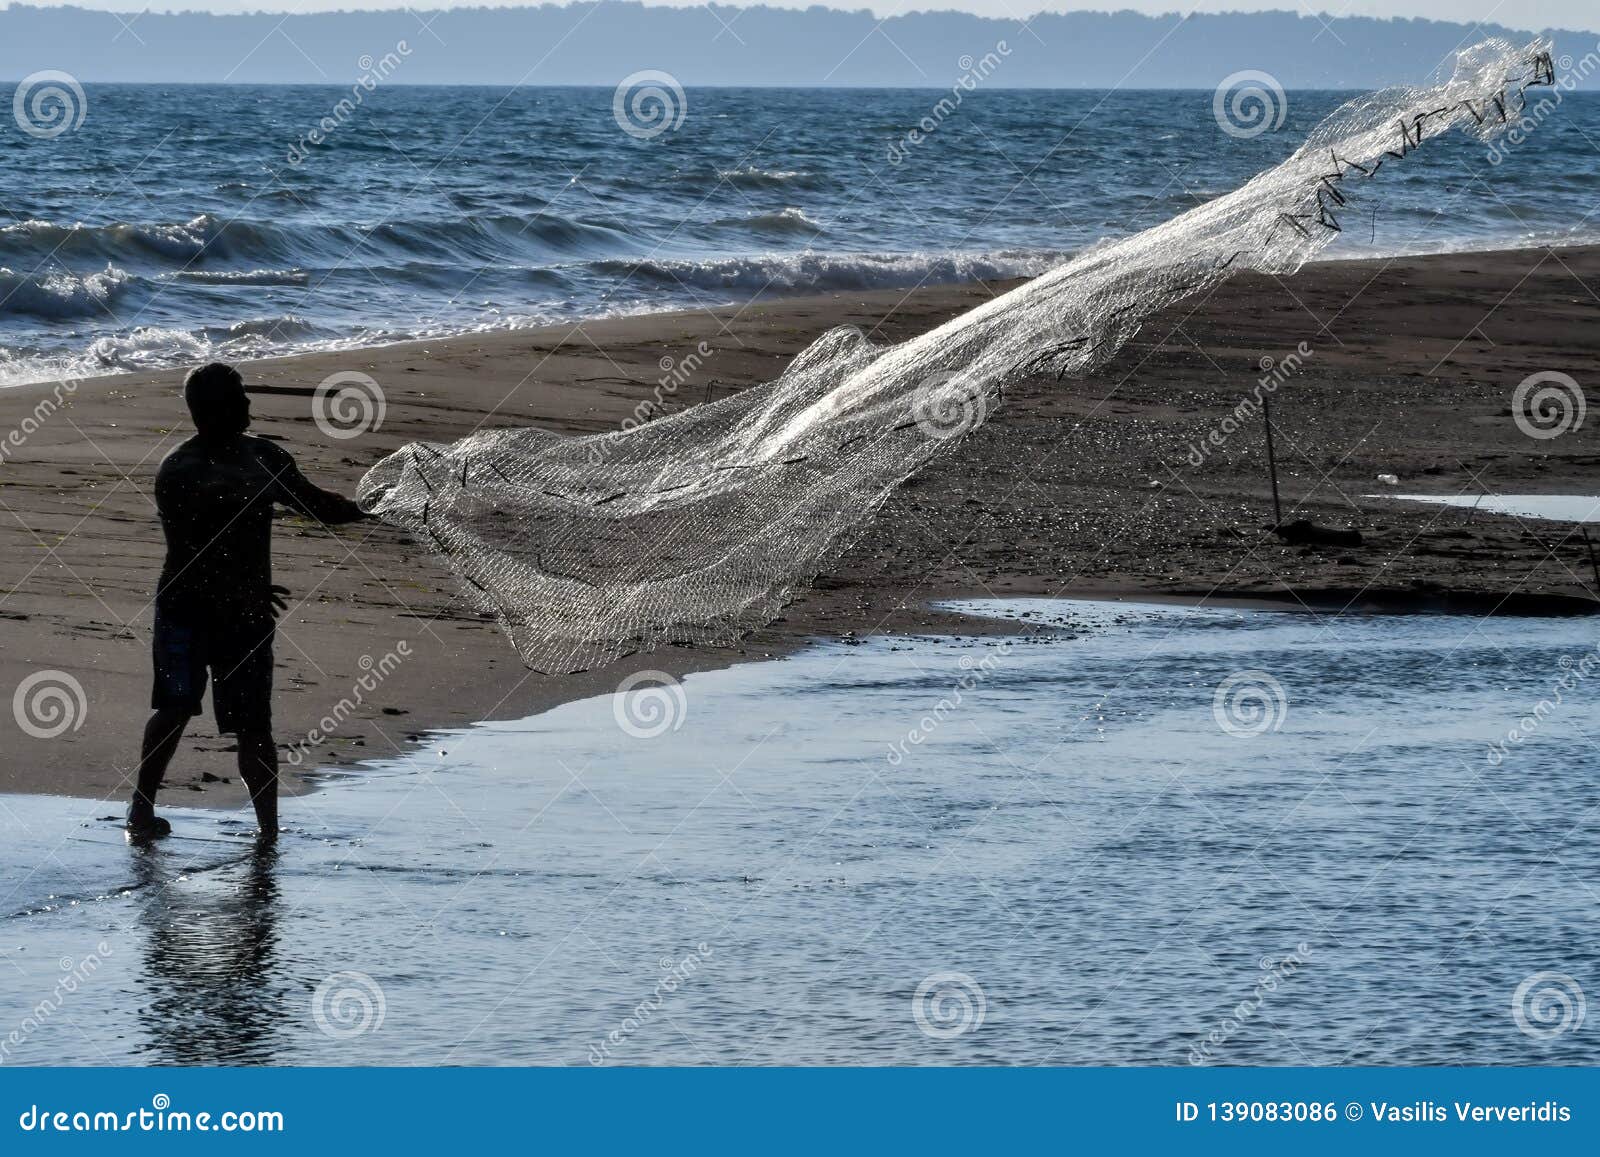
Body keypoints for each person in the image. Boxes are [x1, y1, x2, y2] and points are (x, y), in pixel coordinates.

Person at [128, 363, 367, 843]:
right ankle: (156, 812)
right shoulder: (194, 469)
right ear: (212, 409)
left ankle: (262, 829)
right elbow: (195, 551)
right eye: (239, 397)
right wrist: (244, 590)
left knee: (235, 719)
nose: (249, 406)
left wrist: (370, 505)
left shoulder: (253, 458)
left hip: (226, 607)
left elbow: (317, 506)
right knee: (192, 712)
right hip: (198, 608)